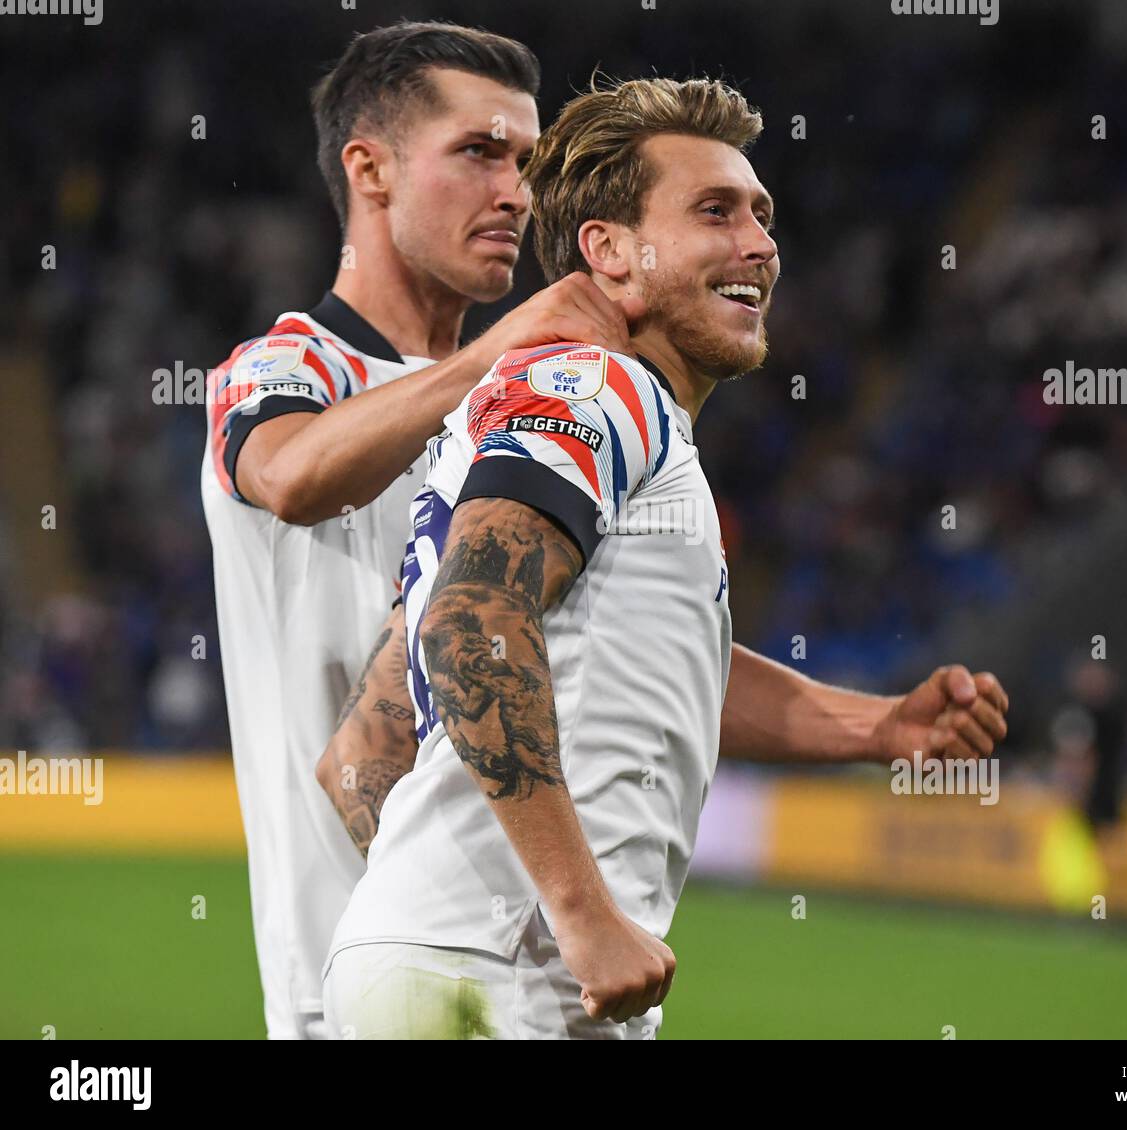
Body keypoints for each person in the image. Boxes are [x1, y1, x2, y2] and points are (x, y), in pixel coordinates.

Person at [319, 75, 1010, 1039]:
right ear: (609, 252)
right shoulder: (602, 387)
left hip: (462, 972)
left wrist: (875, 727)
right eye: (715, 212)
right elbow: (474, 624)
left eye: (763, 217)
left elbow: (368, 748)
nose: (760, 246)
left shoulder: (536, 421)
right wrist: (573, 912)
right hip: (506, 981)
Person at [200, 20, 641, 1040]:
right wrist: (493, 355)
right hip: (353, 982)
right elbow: (295, 474)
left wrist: (867, 726)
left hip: (537, 980)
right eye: (480, 152)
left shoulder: (525, 394)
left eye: (528, 161)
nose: (516, 192)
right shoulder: (279, 370)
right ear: (371, 170)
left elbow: (612, 648)